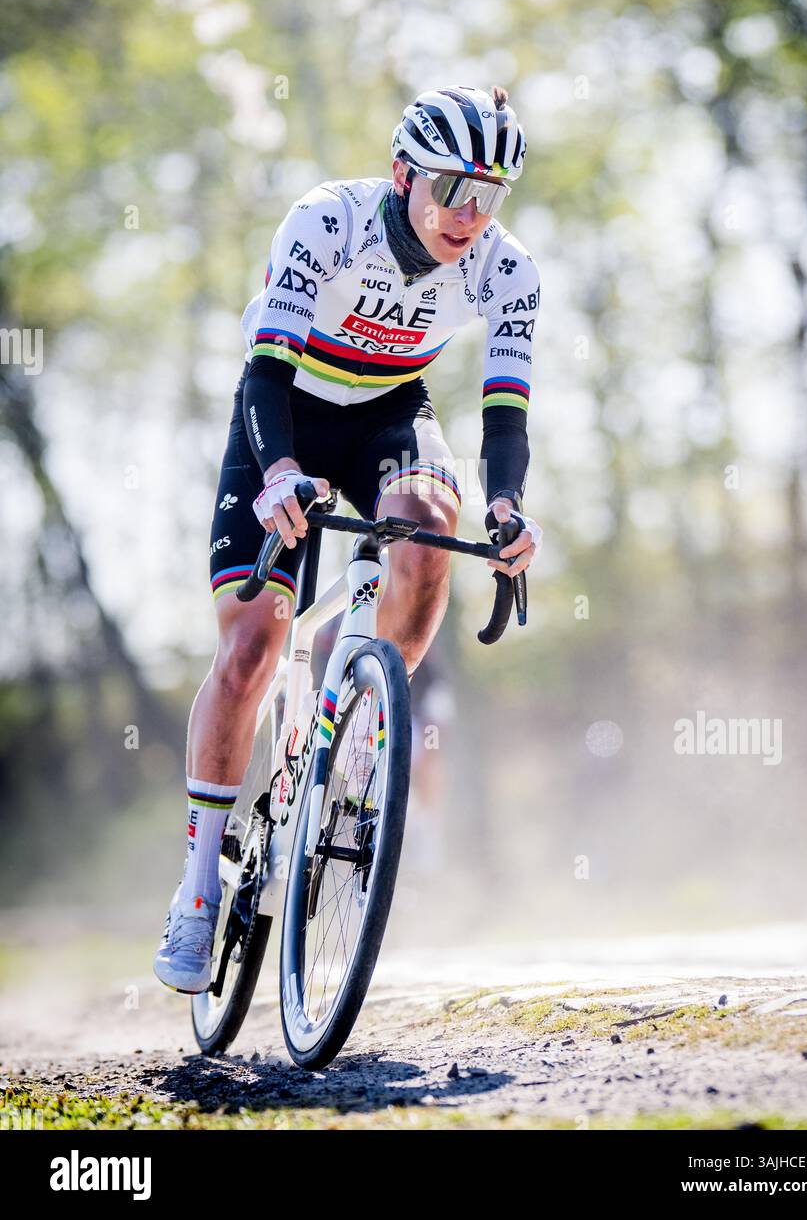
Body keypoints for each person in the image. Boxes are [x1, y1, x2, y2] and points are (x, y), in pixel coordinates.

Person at [154, 84, 543, 992]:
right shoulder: (325, 222)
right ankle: (201, 881)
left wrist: (510, 506)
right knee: (249, 648)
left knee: (429, 531)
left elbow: (505, 408)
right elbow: (265, 371)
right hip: (286, 416)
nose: (469, 216)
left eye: (491, 197)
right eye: (453, 189)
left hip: (388, 416)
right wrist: (283, 474)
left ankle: (350, 715)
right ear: (404, 173)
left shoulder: (508, 269)